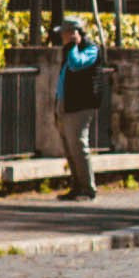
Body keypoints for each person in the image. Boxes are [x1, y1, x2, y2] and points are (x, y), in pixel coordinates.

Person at [54, 17, 105, 195]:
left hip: (81, 105)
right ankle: (77, 186)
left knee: (78, 145)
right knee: (69, 147)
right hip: (66, 103)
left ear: (74, 33)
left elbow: (77, 65)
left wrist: (73, 45)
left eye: (64, 33)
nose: (61, 37)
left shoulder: (91, 49)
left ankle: (88, 187)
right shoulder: (70, 50)